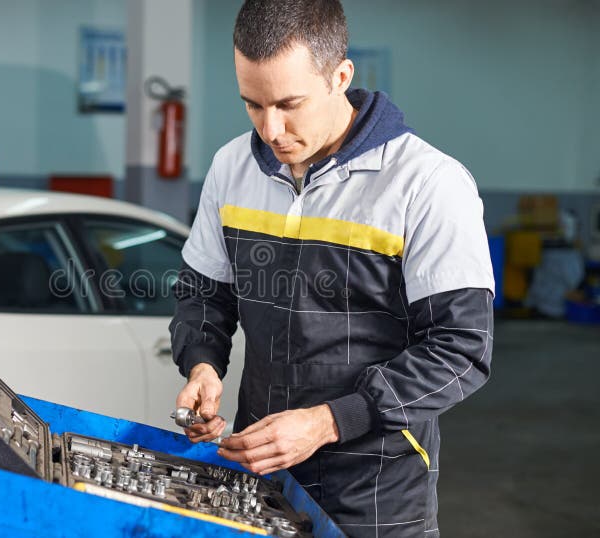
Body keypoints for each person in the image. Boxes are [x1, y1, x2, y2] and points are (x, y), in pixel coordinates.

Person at [169, 0, 495, 536]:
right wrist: (203, 365)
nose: (271, 129)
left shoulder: (426, 184)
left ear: (340, 76)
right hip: (261, 473)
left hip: (377, 497)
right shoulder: (233, 167)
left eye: (288, 103)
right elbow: (205, 293)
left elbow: (462, 349)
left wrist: (328, 422)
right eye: (252, 104)